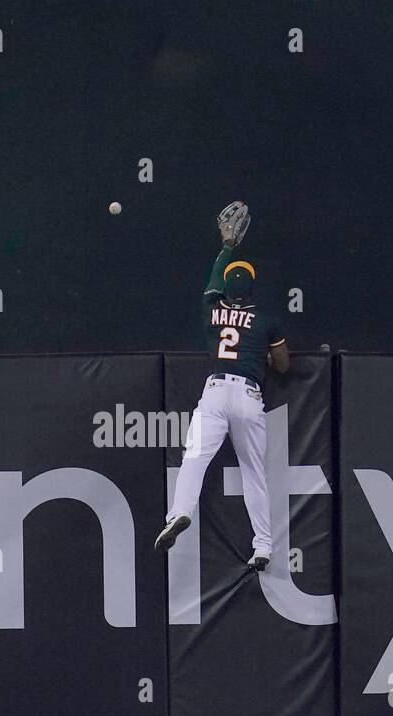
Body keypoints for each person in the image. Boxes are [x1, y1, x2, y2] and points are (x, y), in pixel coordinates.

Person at [154, 201, 290, 571]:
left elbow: (213, 280)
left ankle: (178, 514)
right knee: (254, 474)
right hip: (248, 394)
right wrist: (262, 352)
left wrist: (227, 245)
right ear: (253, 287)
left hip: (214, 393)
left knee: (194, 459)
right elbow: (284, 365)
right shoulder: (266, 319)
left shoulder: (211, 307)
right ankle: (262, 546)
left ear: (226, 288)